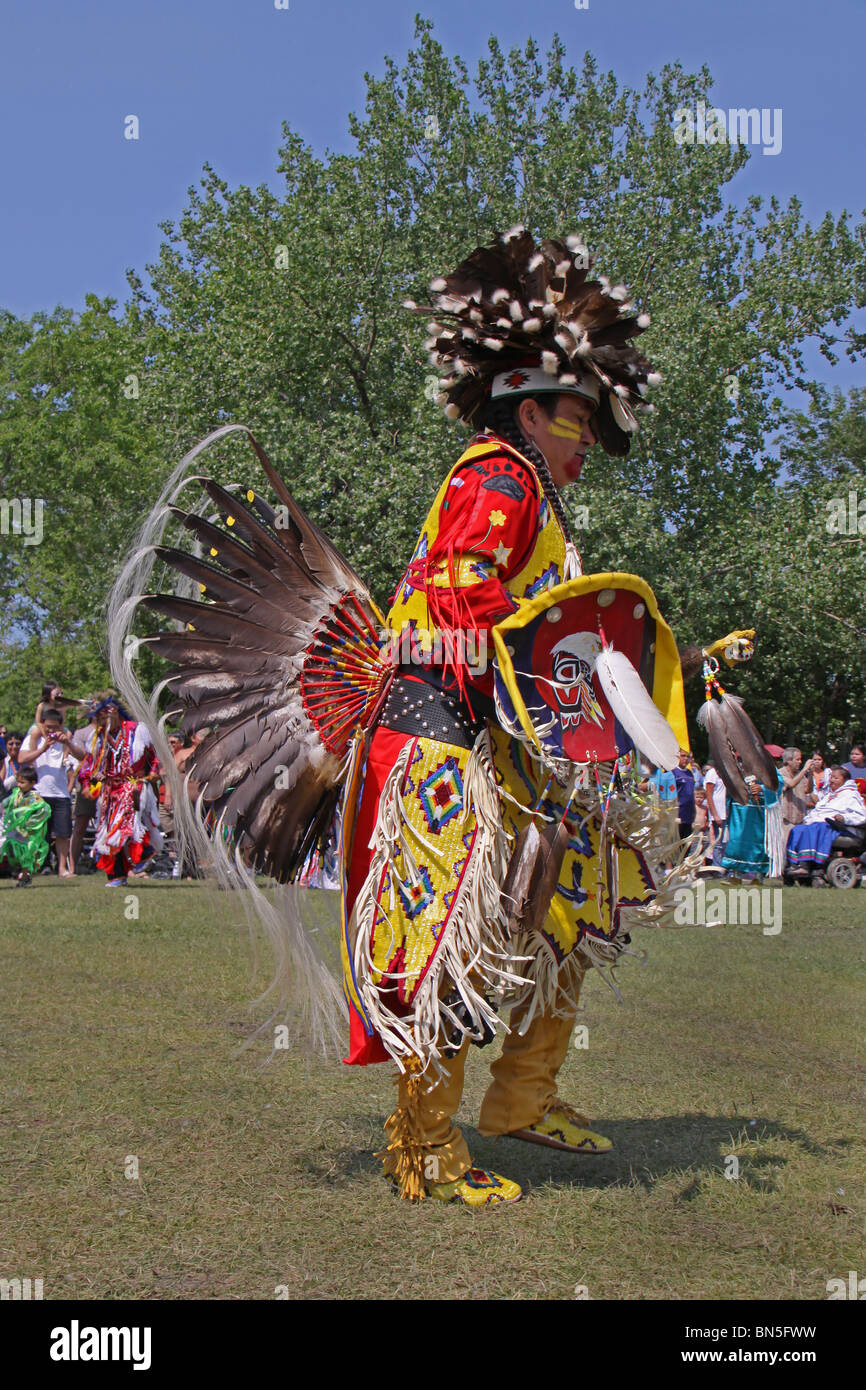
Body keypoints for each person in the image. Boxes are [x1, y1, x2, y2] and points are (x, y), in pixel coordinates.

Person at [118, 228, 754, 1207]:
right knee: (447, 942)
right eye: (575, 420)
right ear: (531, 411)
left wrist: (666, 667)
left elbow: (555, 636)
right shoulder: (496, 479)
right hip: (434, 744)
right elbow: (465, 605)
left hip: (488, 742)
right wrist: (516, 657)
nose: (586, 439)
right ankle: (421, 1144)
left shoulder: (530, 494)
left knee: (579, 902)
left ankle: (521, 1094)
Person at [81, 696, 163, 887]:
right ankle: (117, 876)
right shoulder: (98, 738)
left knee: (128, 824)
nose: (100, 723)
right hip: (110, 790)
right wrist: (89, 781)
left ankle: (143, 854)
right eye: (98, 720)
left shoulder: (136, 730)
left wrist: (154, 772)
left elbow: (155, 754)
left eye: (102, 718)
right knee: (107, 832)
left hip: (133, 786)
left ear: (114, 713)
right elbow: (88, 764)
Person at [18, 708, 87, 877]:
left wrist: (68, 743)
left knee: (62, 834)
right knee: (37, 833)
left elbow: (83, 756)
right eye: (48, 727)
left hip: (61, 794)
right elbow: (21, 759)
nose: (51, 731)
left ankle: (62, 868)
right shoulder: (33, 738)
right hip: (39, 792)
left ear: (61, 726)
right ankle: (34, 867)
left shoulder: (65, 739)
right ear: (41, 724)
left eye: (55, 727)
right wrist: (43, 748)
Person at [786, 767, 866, 876]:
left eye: (836, 778)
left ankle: (808, 865)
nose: (832, 780)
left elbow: (861, 816)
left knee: (818, 827)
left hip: (843, 830)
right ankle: (794, 864)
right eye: (831, 777)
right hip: (823, 825)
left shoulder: (851, 795)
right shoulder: (829, 795)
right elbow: (817, 811)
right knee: (798, 829)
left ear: (845, 780)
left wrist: (844, 818)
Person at [0, 764, 50, 885]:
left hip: (28, 834)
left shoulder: (36, 799)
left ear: (32, 783)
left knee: (26, 855)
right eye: (18, 782)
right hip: (14, 830)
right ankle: (17, 870)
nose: (18, 785)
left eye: (22, 783)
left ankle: (25, 876)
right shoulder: (16, 794)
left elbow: (41, 813)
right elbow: (5, 803)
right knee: (10, 849)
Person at [779, 747, 814, 832]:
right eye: (797, 759)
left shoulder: (799, 774)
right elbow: (791, 784)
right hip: (786, 820)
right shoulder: (780, 773)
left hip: (800, 819)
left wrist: (810, 774)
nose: (800, 762)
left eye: (800, 759)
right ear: (788, 760)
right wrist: (805, 769)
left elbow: (808, 790)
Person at [703, 760, 728, 867]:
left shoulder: (726, 772)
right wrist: (715, 814)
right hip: (718, 812)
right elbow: (709, 795)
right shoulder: (712, 773)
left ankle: (726, 866)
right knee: (719, 842)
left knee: (726, 842)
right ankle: (717, 866)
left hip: (727, 811)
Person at [672, 747, 697, 839]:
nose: (686, 759)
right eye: (683, 756)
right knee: (677, 842)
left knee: (687, 843)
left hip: (689, 814)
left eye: (688, 756)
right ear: (677, 757)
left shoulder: (690, 773)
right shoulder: (673, 772)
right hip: (678, 814)